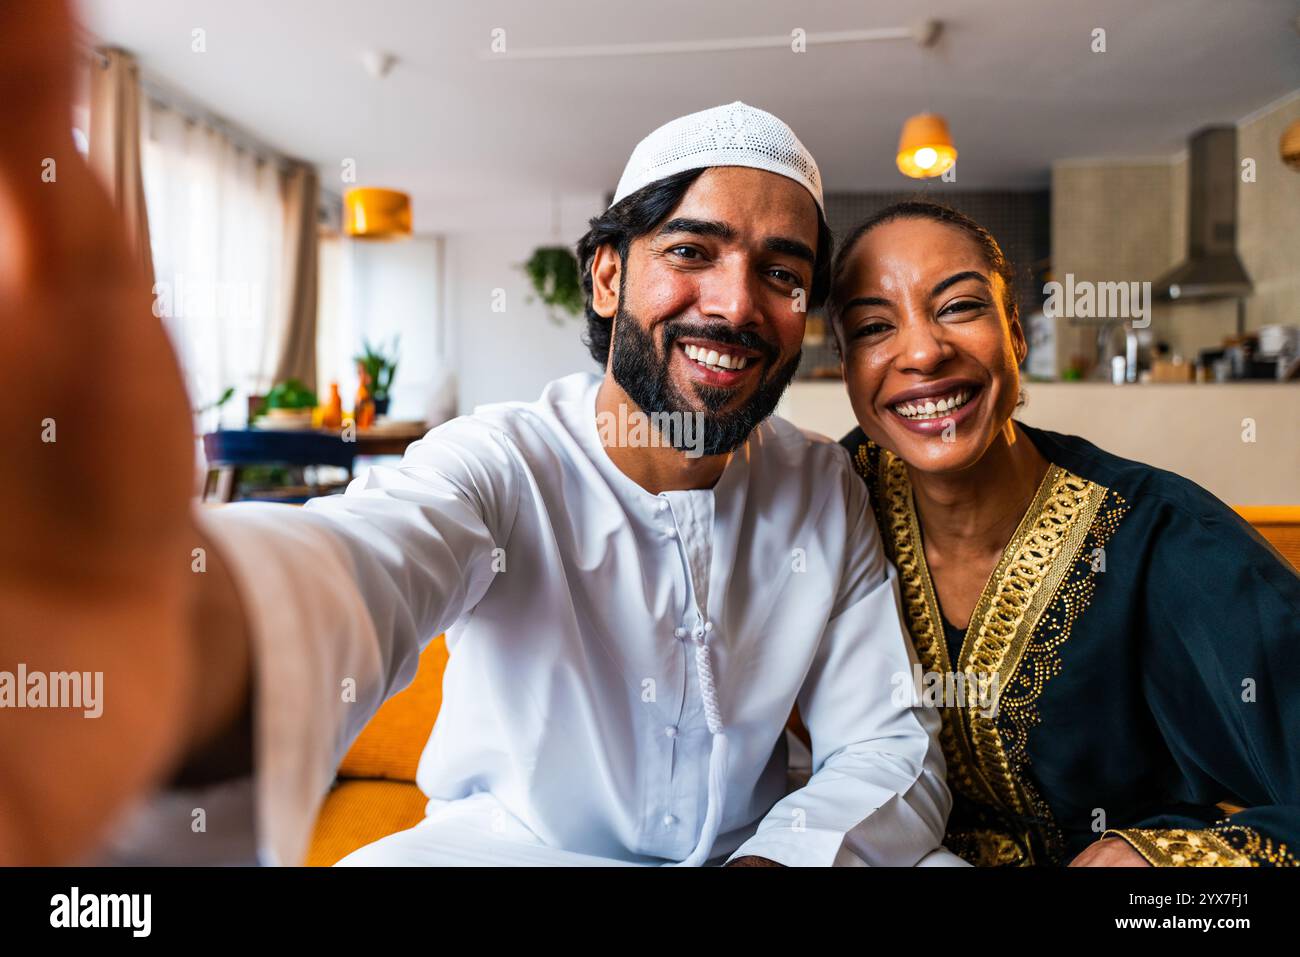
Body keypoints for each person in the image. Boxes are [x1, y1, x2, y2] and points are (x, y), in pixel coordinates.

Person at [0, 1, 952, 867]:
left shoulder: (821, 486)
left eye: (784, 275)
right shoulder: (501, 465)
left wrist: (773, 865)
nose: (737, 304)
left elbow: (887, 745)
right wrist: (158, 627)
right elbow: (363, 563)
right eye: (692, 252)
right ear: (608, 277)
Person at [828, 199, 1300, 867]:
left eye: (959, 307)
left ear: (1016, 332)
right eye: (875, 326)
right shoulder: (832, 508)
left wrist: (1167, 856)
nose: (924, 351)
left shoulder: (1163, 539)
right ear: (848, 367)